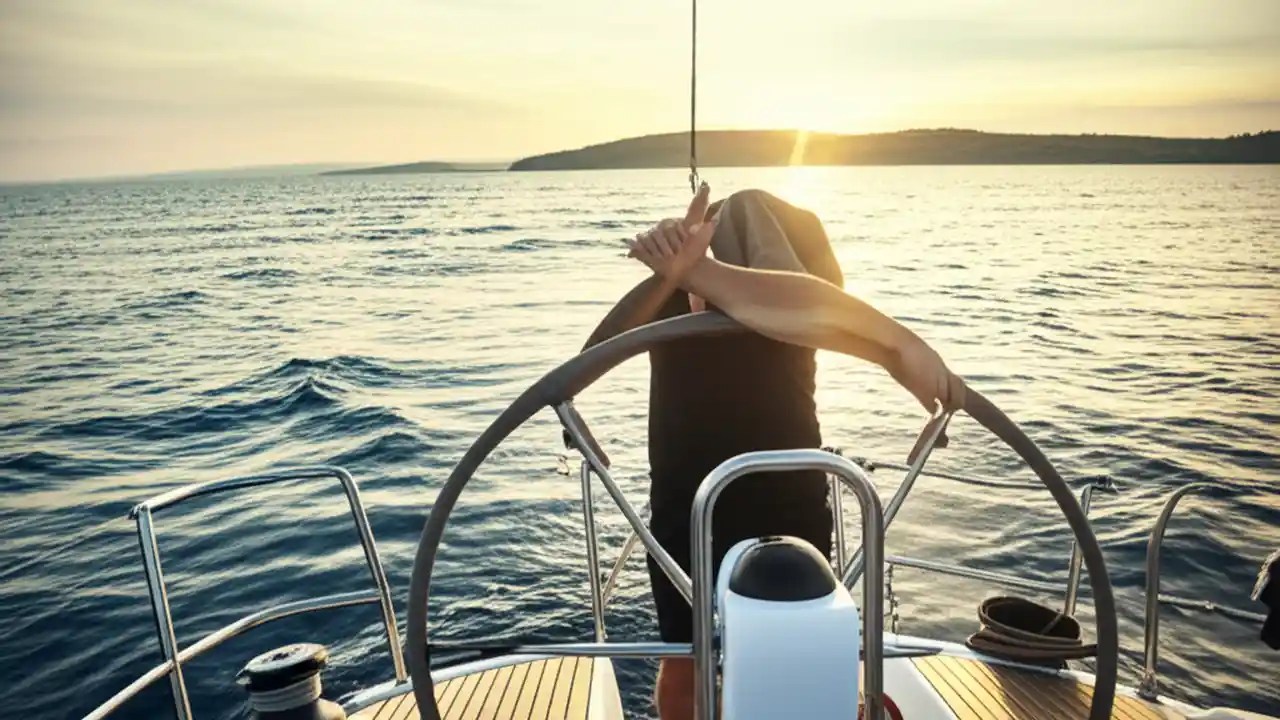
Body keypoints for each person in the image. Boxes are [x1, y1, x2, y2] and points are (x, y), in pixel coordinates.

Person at [585, 185, 963, 720]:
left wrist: (689, 270)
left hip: (768, 508)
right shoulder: (683, 287)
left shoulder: (780, 286)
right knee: (694, 662)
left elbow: (808, 306)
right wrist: (673, 273)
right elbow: (592, 359)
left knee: (749, 656)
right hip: (691, 513)